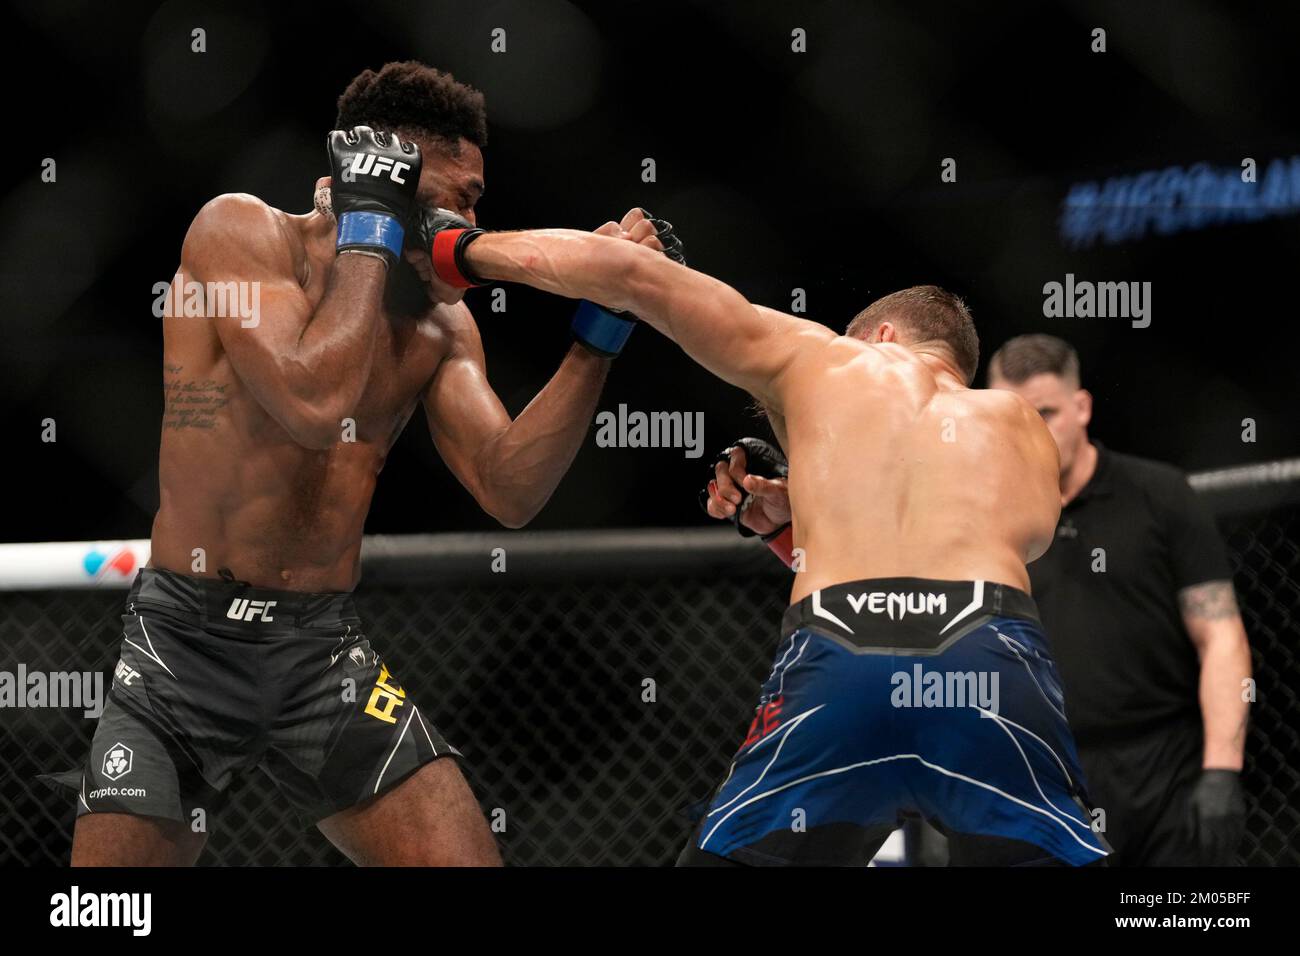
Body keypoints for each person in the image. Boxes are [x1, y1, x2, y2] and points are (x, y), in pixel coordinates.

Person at [57, 61, 676, 866]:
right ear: (380, 174)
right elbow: (313, 405)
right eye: (460, 196)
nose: (474, 220)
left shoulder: (440, 327)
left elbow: (510, 487)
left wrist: (600, 337)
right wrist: (370, 231)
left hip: (320, 652)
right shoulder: (241, 234)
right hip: (184, 645)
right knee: (106, 917)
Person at [415, 210, 1110, 865]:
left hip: (843, 651)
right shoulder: (1022, 427)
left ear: (883, 336)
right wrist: (794, 523)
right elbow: (967, 539)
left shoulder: (828, 356)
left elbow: (626, 271)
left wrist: (454, 250)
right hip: (991, 655)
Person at [986, 335, 1251, 865]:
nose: (1032, 432)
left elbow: (1220, 633)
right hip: (1042, 774)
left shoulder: (1159, 495)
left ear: (1082, 408)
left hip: (1163, 769)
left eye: (1048, 413)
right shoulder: (984, 518)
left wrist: (1223, 769)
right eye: (1014, 416)